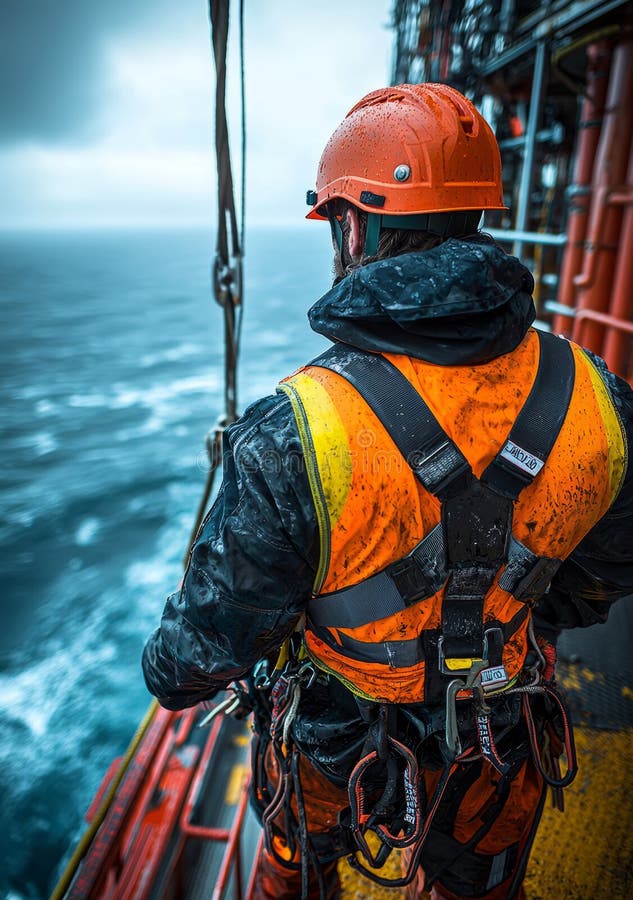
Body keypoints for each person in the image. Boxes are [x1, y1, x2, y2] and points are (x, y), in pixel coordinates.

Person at [142, 83, 633, 900]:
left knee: (297, 864)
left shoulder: (294, 431)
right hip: (495, 729)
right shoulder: (598, 396)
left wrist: (171, 664)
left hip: (336, 744)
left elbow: (196, 657)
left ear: (355, 225)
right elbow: (604, 575)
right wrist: (512, 618)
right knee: (480, 880)